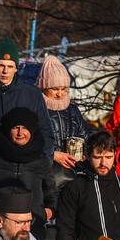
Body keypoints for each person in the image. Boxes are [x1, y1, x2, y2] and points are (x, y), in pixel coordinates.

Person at [0, 107, 58, 240]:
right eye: (16, 127)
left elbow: (51, 193)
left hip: (33, 228)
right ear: (8, 129)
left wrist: (47, 212)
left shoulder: (41, 160)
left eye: (25, 128)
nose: (20, 132)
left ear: (32, 131)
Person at [0, 38, 54, 158]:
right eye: (1, 65)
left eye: (10, 66)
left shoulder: (32, 94)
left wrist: (41, 166)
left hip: (23, 167)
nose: (5, 71)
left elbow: (45, 133)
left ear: (16, 68)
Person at [37, 54, 87, 189]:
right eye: (54, 89)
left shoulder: (73, 110)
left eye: (63, 89)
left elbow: (85, 136)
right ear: (44, 87)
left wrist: (84, 153)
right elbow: (28, 143)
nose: (60, 94)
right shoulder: (36, 109)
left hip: (74, 175)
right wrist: (53, 155)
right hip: (45, 177)